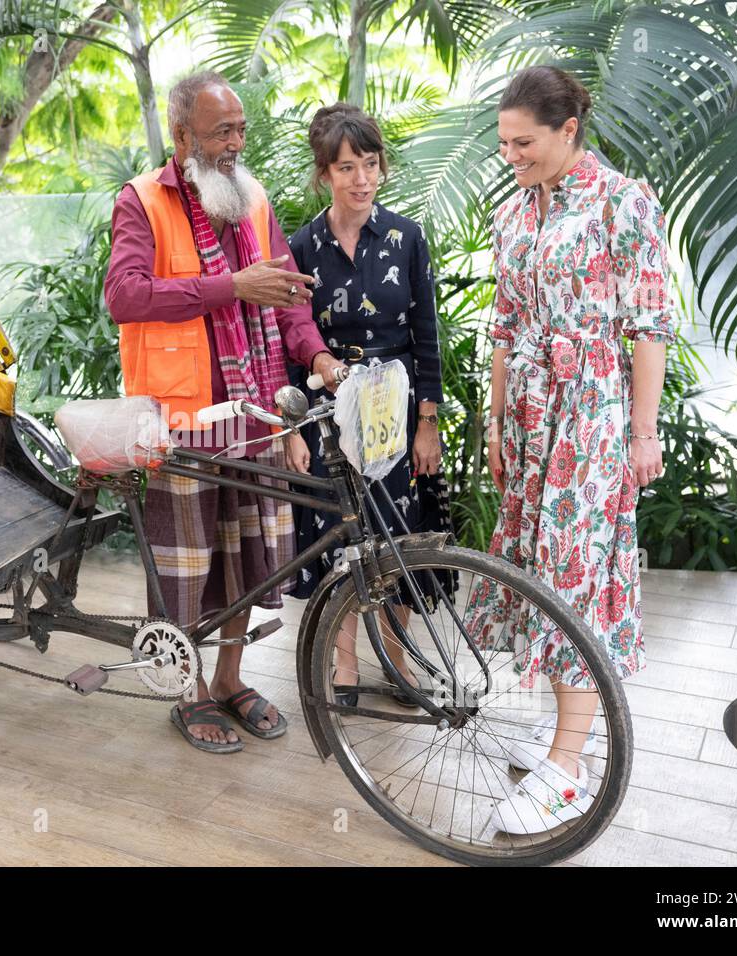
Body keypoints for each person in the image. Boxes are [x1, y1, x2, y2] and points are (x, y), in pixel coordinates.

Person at [103, 70, 346, 753]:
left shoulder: (254, 196)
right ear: (182, 136)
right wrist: (229, 286)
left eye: (240, 128)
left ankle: (231, 681)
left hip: (256, 412)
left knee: (252, 561)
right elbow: (124, 296)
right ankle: (190, 692)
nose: (236, 142)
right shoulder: (142, 201)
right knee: (188, 568)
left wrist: (320, 357)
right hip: (183, 421)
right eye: (221, 132)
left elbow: (288, 298)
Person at [467, 65, 674, 834]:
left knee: (576, 578)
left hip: (590, 415)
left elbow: (649, 326)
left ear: (567, 131)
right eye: (504, 144)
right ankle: (568, 738)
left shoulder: (624, 203)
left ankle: (566, 763)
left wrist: (643, 434)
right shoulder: (515, 213)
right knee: (539, 571)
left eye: (524, 143)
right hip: (527, 415)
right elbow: (505, 326)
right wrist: (494, 423)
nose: (510, 156)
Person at [286, 103, 455, 708]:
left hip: (398, 412)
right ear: (324, 173)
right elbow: (291, 335)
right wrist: (293, 429)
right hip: (331, 413)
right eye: (346, 166)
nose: (361, 178)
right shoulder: (302, 246)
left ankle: (400, 660)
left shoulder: (407, 238)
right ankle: (347, 664)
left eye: (371, 164)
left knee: (398, 534)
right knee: (340, 535)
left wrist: (428, 423)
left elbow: (427, 333)